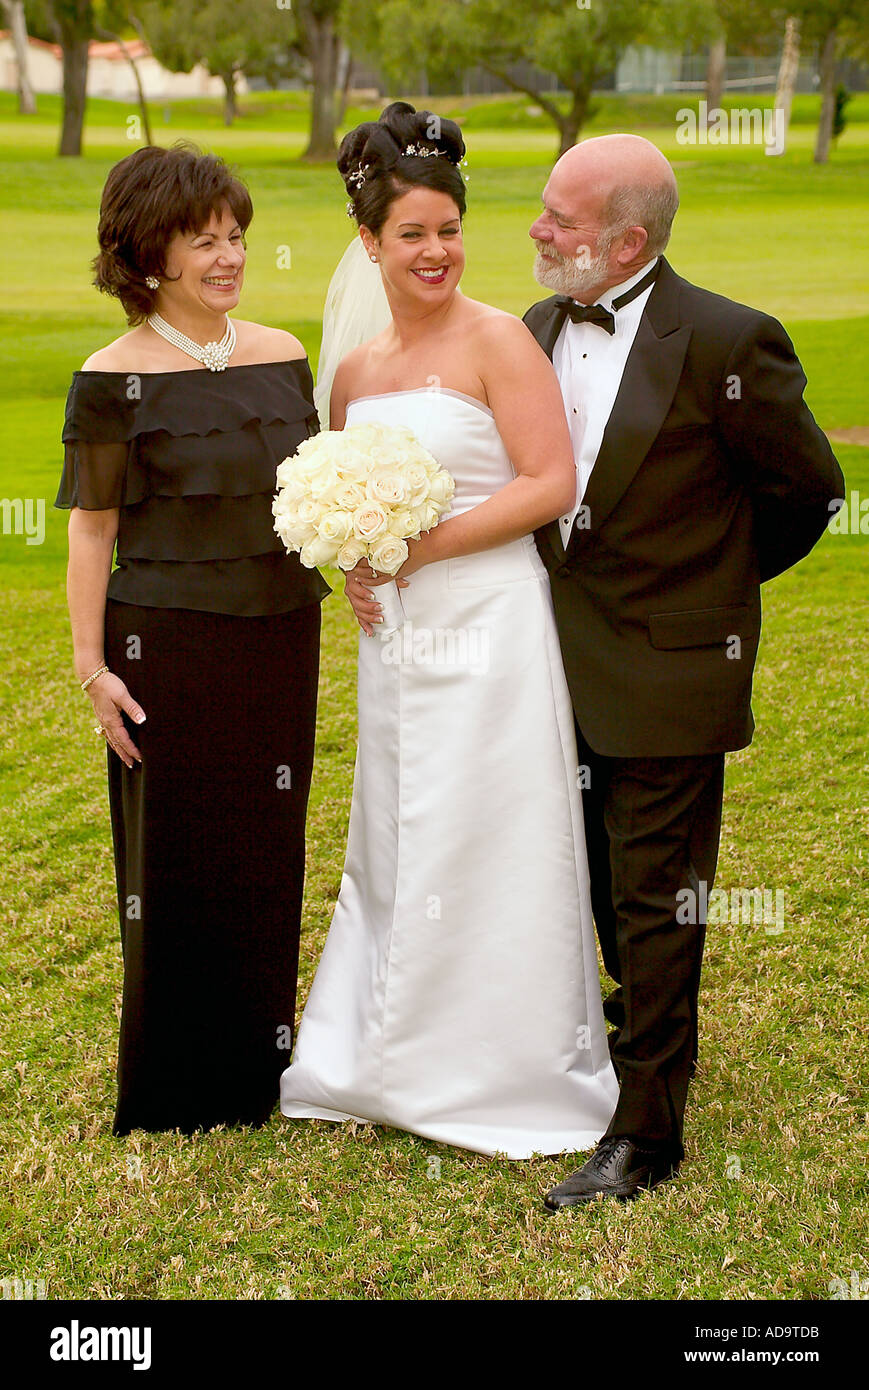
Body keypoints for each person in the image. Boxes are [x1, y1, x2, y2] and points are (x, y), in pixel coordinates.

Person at [280, 103, 619, 1158]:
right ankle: (387, 1051)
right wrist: (354, 570)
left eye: (449, 230)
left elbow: (549, 483)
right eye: (412, 234)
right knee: (396, 824)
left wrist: (424, 550)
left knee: (490, 823)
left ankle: (504, 1059)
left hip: (490, 626)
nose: (436, 252)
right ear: (370, 244)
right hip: (398, 643)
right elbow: (342, 502)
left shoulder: (498, 340)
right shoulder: (354, 373)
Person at [517, 134, 844, 1205]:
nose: (536, 230)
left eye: (558, 219)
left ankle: (646, 1134)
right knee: (591, 883)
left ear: (624, 240)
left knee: (657, 896)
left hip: (670, 669)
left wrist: (710, 588)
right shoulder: (532, 327)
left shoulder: (726, 339)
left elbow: (805, 490)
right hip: (542, 667)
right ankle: (635, 1031)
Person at [57, 143, 329, 1136]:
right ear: (147, 253)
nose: (228, 256)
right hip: (161, 644)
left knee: (265, 849)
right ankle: (174, 1090)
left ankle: (261, 1074)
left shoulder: (281, 352)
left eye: (236, 237)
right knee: (174, 860)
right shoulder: (111, 376)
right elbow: (91, 530)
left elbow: (312, 493)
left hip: (278, 633)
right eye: (202, 240)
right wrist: (91, 668)